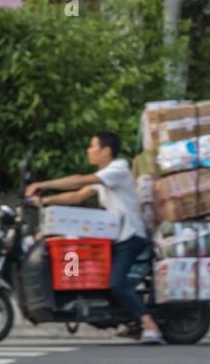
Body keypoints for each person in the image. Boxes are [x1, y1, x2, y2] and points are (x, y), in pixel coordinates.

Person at [25, 131, 163, 344]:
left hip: (131, 237)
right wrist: (44, 201)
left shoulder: (118, 169)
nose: (89, 151)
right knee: (98, 281)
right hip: (116, 238)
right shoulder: (106, 175)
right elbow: (78, 195)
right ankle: (130, 321)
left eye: (92, 146)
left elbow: (80, 180)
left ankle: (150, 326)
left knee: (117, 284)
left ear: (106, 151)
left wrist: (43, 185)